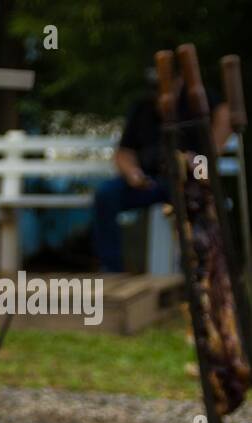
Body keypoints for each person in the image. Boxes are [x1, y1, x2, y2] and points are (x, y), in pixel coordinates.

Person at [93, 69, 230, 272]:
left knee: (198, 200)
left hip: (186, 179)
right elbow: (124, 152)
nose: (159, 93)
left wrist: (204, 160)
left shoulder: (196, 101)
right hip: (149, 181)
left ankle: (198, 272)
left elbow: (225, 113)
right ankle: (111, 269)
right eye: (155, 88)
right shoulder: (143, 107)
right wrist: (132, 173)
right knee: (106, 194)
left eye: (164, 86)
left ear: (179, 82)